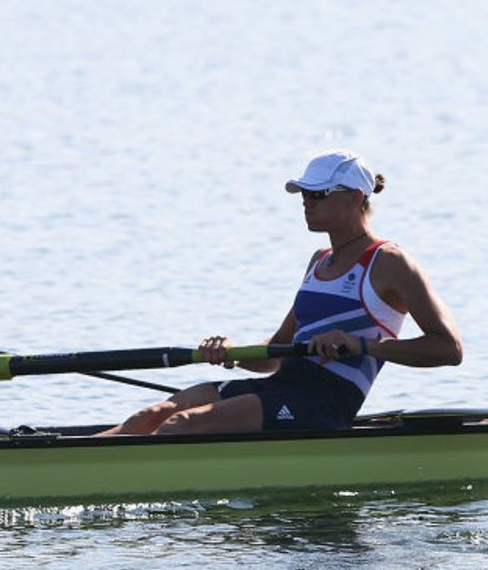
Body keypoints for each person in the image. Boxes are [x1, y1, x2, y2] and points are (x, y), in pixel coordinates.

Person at [103, 149, 464, 435]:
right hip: (283, 386)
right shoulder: (318, 262)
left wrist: (361, 345)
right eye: (304, 194)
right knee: (148, 417)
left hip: (323, 404)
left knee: (180, 425)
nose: (307, 202)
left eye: (318, 194)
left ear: (355, 198)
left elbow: (449, 349)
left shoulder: (389, 262)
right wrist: (232, 353)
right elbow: (275, 353)